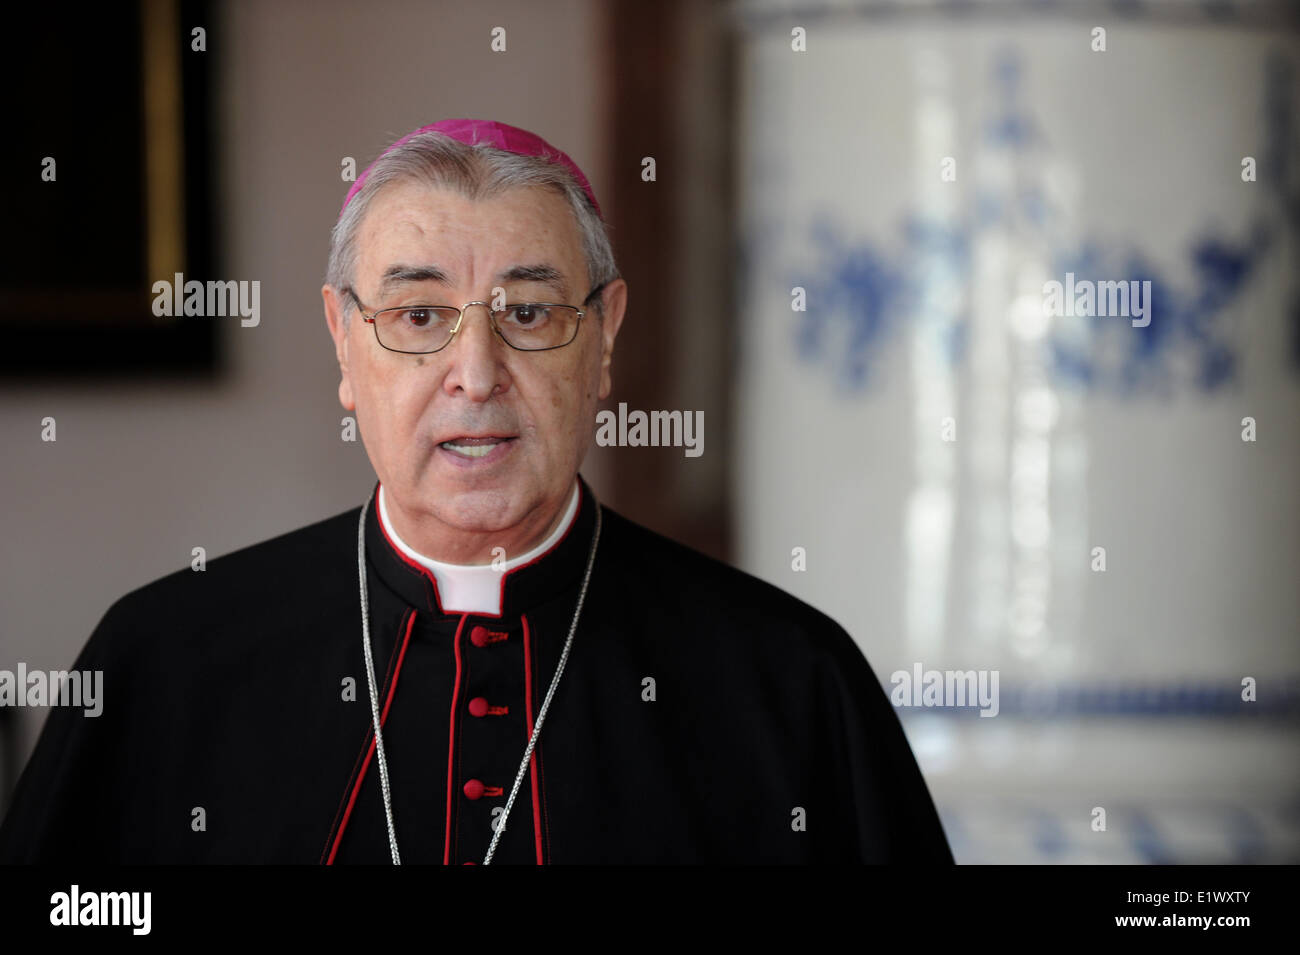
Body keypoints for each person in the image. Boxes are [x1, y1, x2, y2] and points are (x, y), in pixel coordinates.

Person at [0, 119, 952, 864]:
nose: (476, 372)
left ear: (606, 334)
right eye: (419, 315)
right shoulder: (161, 665)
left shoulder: (789, 686)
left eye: (529, 313)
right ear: (343, 339)